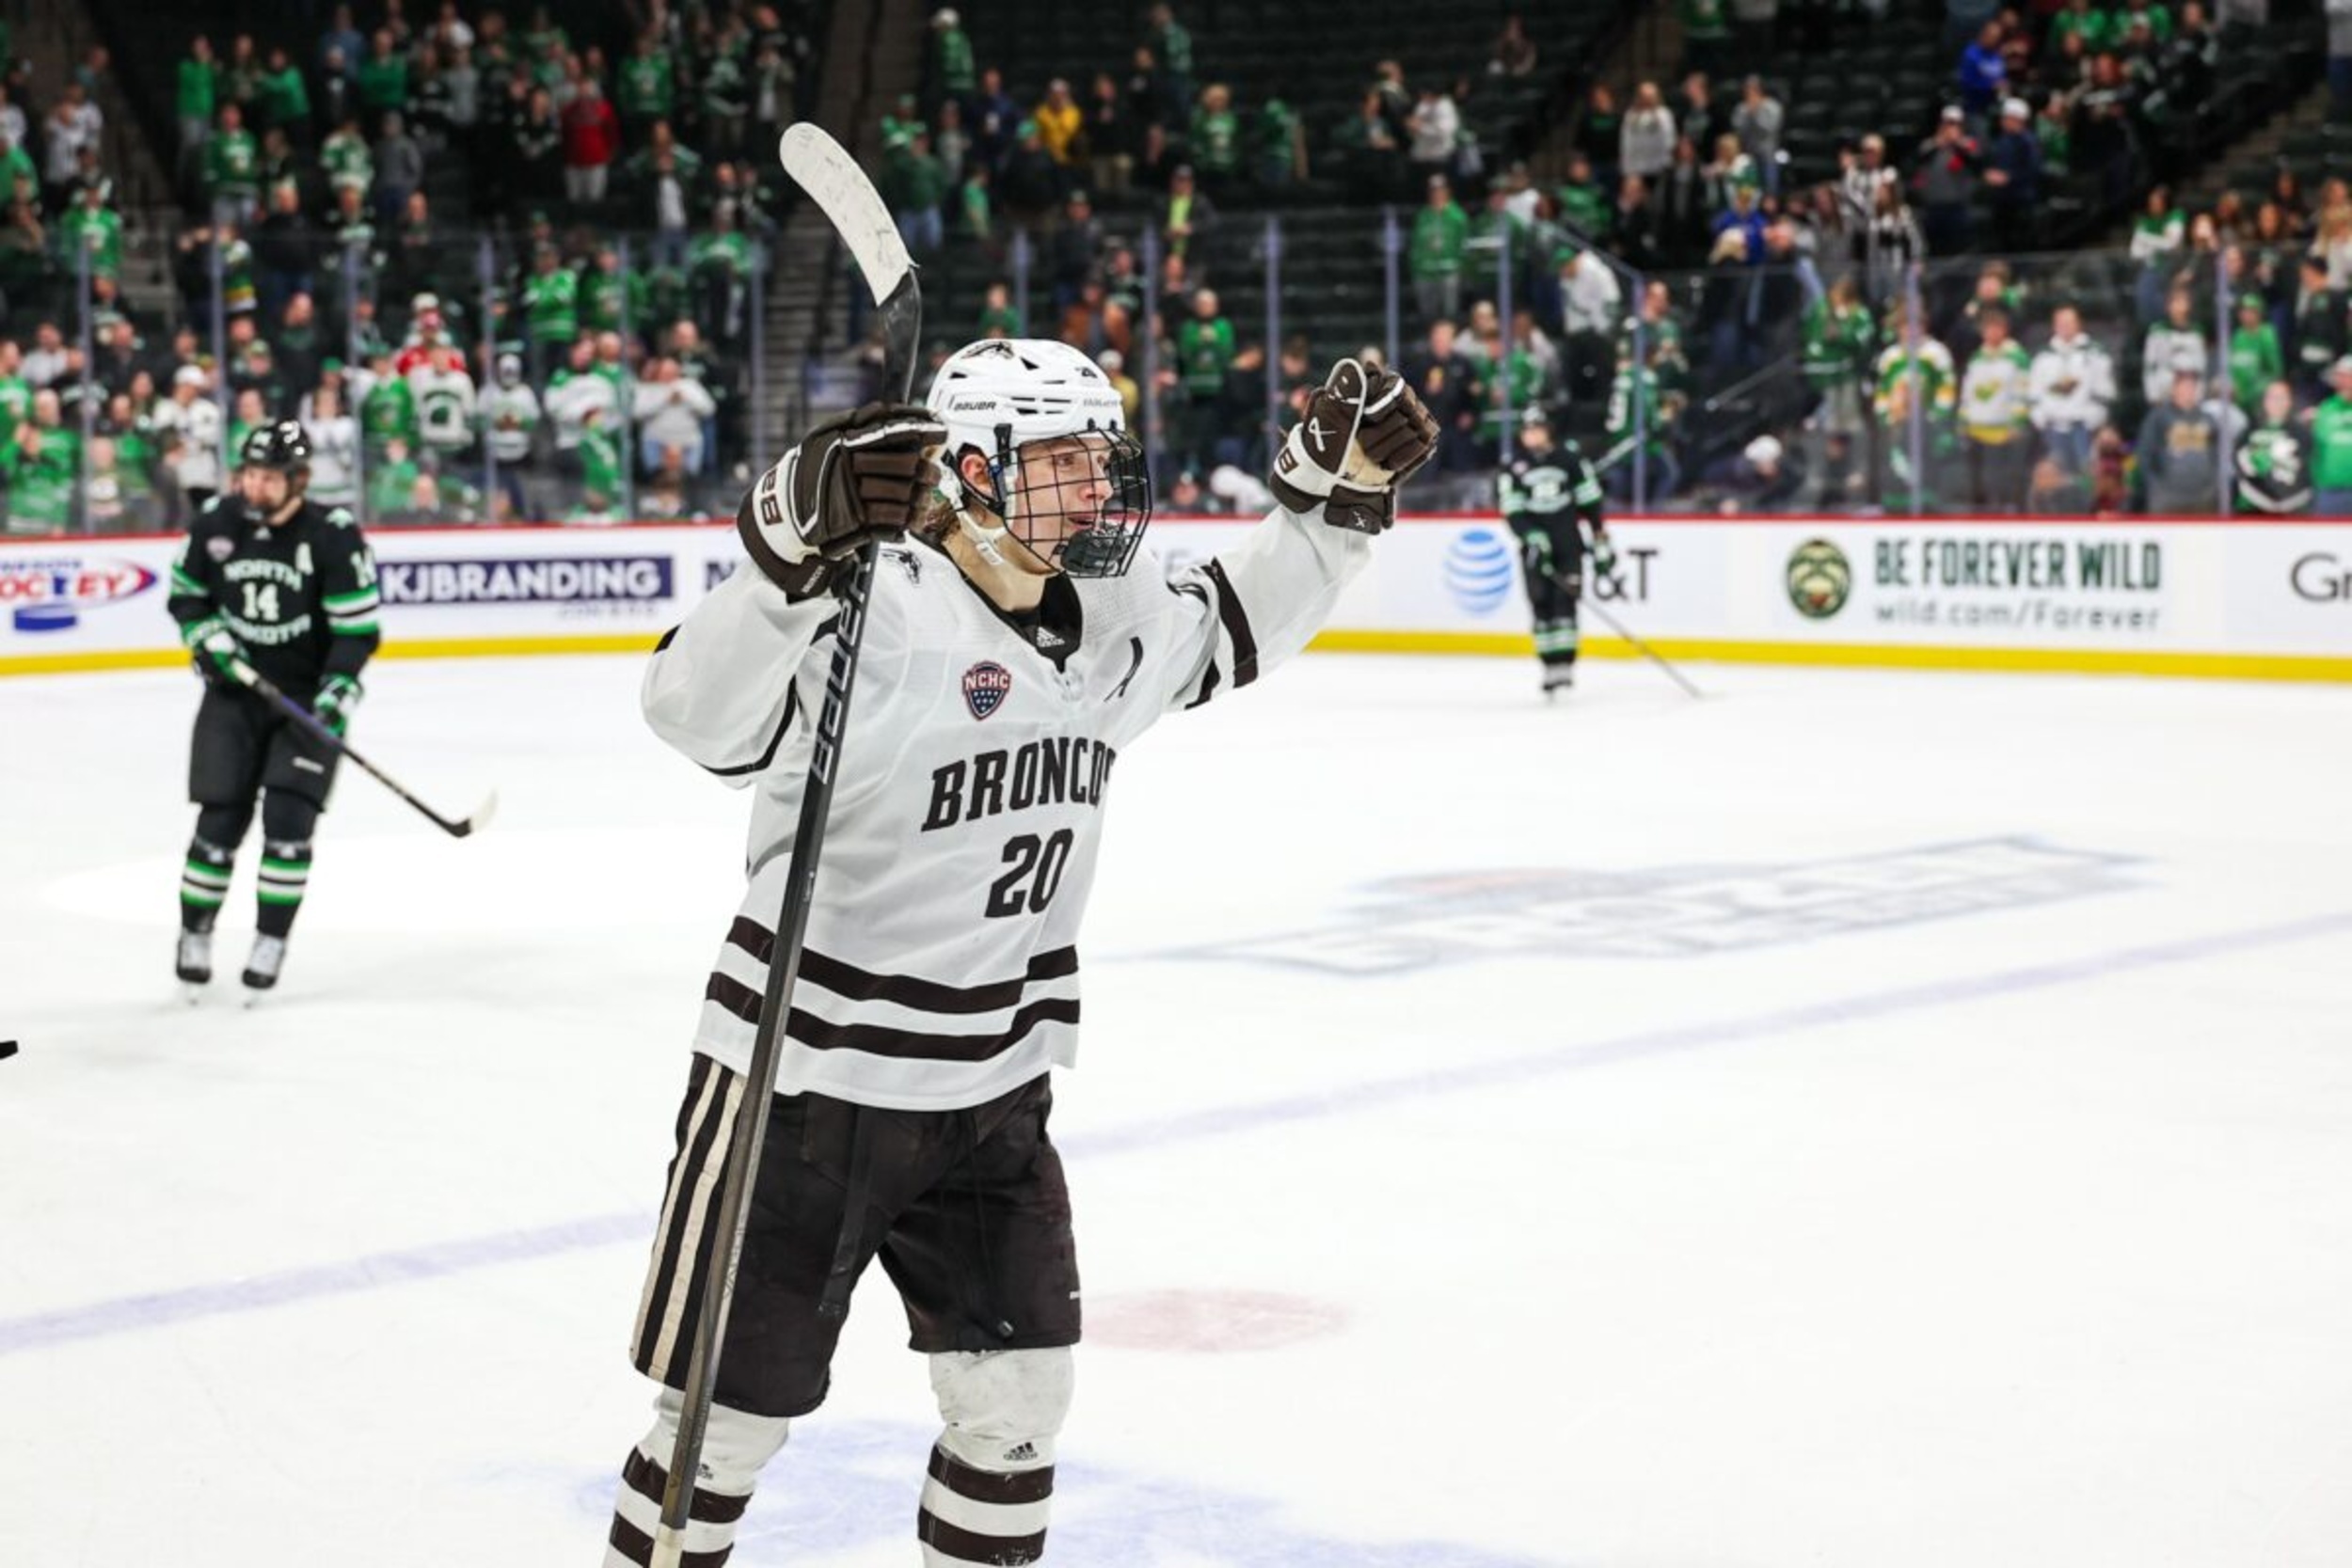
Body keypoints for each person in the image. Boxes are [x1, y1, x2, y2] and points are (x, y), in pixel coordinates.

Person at [597, 341, 1436, 1568]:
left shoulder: (1113, 615)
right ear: (972, 469)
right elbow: (692, 712)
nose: (1098, 486)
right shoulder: (873, 606)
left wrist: (1334, 495)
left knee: (1017, 1410)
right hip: (806, 1089)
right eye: (1059, 458)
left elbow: (1245, 617)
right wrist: (784, 554)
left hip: (993, 1090)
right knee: (717, 1433)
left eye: (1103, 455)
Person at [165, 421, 380, 996]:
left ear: (299, 480)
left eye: (269, 478)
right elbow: (185, 592)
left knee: (288, 827)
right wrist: (206, 634)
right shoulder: (216, 521)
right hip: (233, 695)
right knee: (217, 825)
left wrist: (340, 688)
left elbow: (356, 632)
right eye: (250, 475)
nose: (255, 487)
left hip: (305, 701)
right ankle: (195, 931)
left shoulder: (333, 537)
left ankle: (272, 937)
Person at [1497, 405, 1609, 697]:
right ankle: (1548, 666)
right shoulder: (1513, 466)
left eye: (1537, 429)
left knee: (1565, 603)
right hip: (1535, 548)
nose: (1531, 435)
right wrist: (1531, 535)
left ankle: (1565, 666)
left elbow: (1591, 502)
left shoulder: (1569, 460)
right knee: (1541, 604)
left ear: (1548, 430)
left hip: (1568, 544)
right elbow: (1513, 511)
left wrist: (1600, 539)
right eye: (1527, 430)